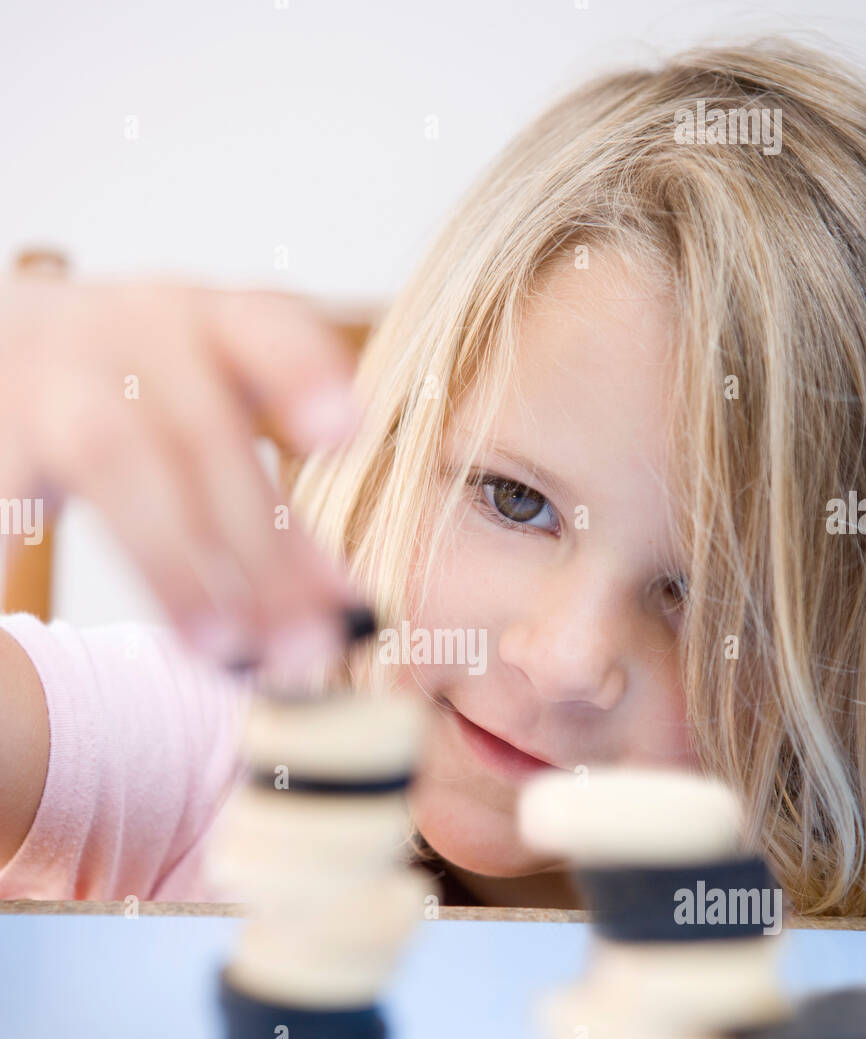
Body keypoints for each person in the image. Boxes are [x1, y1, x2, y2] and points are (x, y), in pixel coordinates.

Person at [2, 37, 865, 914]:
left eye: (712, 592)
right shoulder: (218, 751)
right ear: (390, 455)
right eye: (515, 499)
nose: (564, 660)